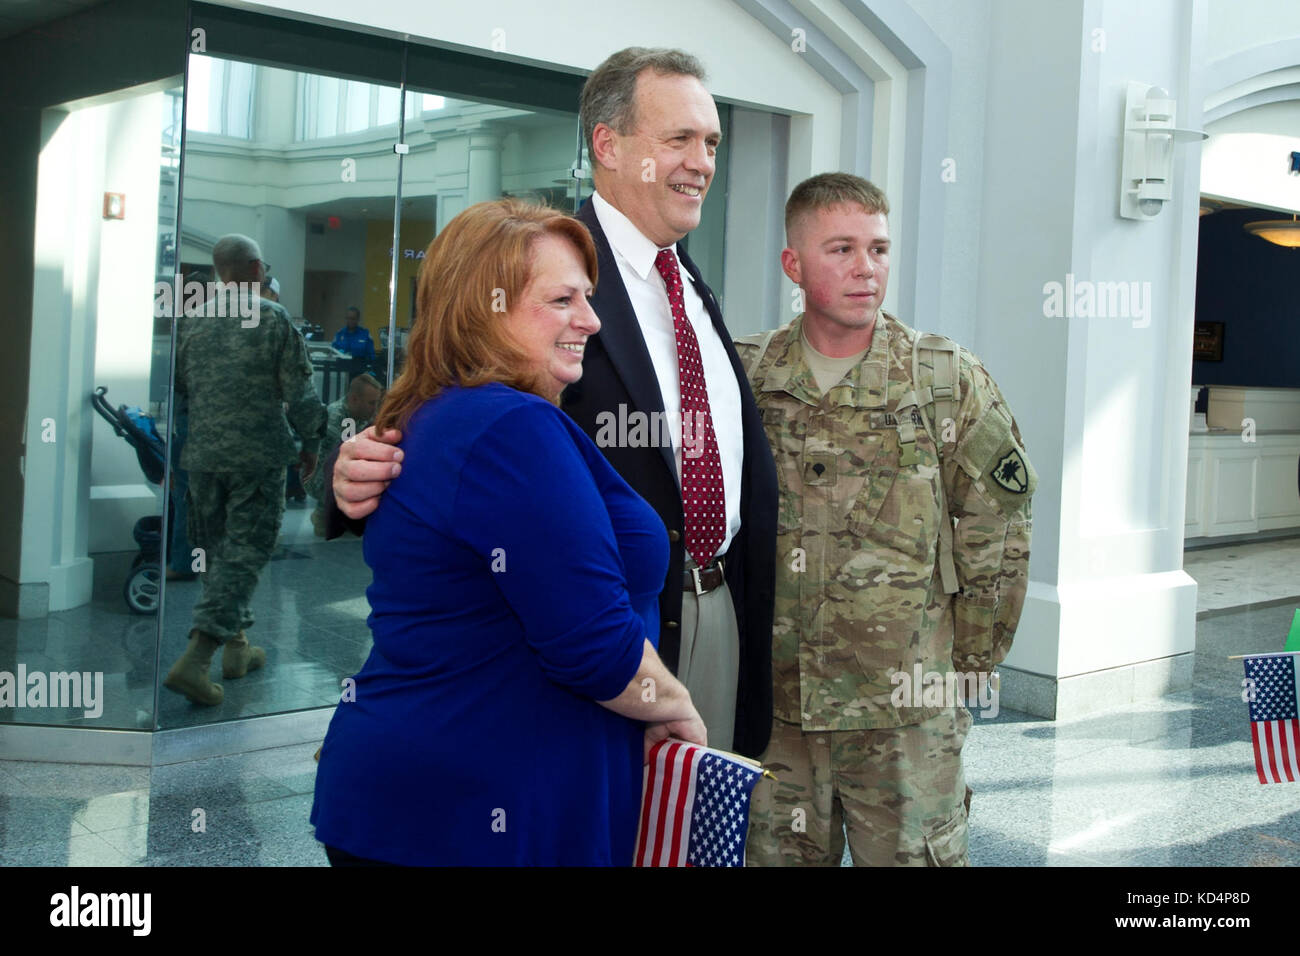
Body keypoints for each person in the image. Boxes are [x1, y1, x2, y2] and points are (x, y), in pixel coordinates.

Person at [325, 48, 778, 758]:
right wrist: (353, 468)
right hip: (608, 645)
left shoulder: (692, 285)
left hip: (717, 609)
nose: (703, 161)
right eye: (679, 139)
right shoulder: (538, 269)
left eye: (712, 142)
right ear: (608, 143)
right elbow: (435, 402)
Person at [309, 199, 706, 866]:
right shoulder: (510, 428)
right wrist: (674, 706)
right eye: (561, 299)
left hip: (421, 803)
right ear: (483, 308)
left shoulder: (442, 409)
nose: (591, 319)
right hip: (475, 813)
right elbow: (594, 646)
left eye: (588, 295)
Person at [737, 173, 1036, 866]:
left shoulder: (943, 379)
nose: (865, 268)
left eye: (878, 248)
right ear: (793, 264)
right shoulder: (747, 375)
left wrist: (970, 666)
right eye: (840, 249)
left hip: (906, 717)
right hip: (778, 710)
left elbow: (999, 525)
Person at [163, 234, 327, 706]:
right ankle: (196, 659)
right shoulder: (273, 318)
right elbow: (299, 394)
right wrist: (312, 443)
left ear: (219, 271)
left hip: (203, 457)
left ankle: (237, 650)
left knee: (219, 554)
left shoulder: (192, 319)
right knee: (245, 555)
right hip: (257, 456)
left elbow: (179, 389)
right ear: (256, 269)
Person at [306, 374, 382, 536]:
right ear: (354, 399)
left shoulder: (361, 415)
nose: (375, 408)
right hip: (319, 478)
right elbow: (335, 462)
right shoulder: (336, 417)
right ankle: (324, 513)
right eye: (371, 403)